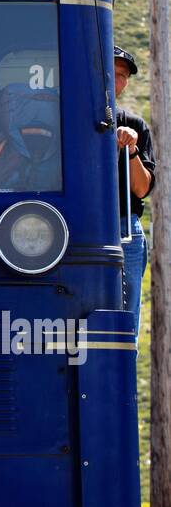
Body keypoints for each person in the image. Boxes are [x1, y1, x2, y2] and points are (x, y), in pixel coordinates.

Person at [114, 44, 155, 337]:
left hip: (124, 227)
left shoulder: (135, 125)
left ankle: (124, 378)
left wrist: (131, 149)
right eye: (113, 71)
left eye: (123, 75)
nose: (118, 79)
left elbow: (141, 189)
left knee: (126, 317)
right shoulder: (68, 117)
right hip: (74, 225)